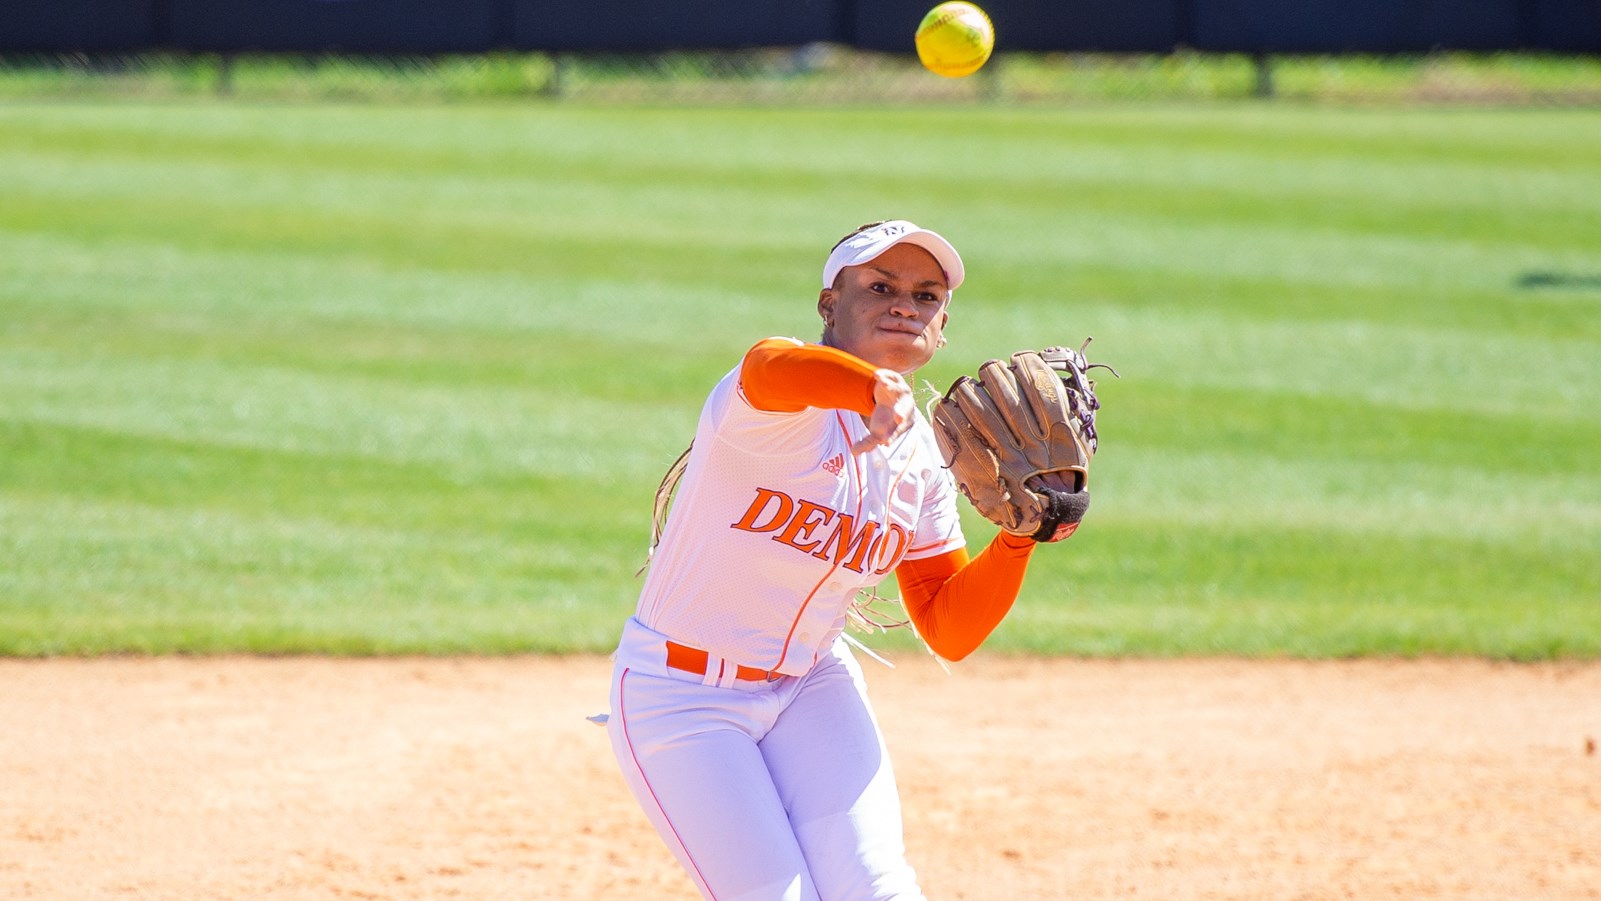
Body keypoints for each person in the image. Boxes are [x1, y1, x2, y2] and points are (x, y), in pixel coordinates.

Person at [605, 220, 1062, 900]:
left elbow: (947, 626)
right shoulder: (769, 405)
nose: (905, 304)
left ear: (942, 327)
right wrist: (867, 390)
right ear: (829, 305)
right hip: (682, 697)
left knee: (878, 889)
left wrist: (1021, 538)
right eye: (879, 287)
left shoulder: (919, 460)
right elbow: (769, 365)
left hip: (810, 686)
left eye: (926, 295)